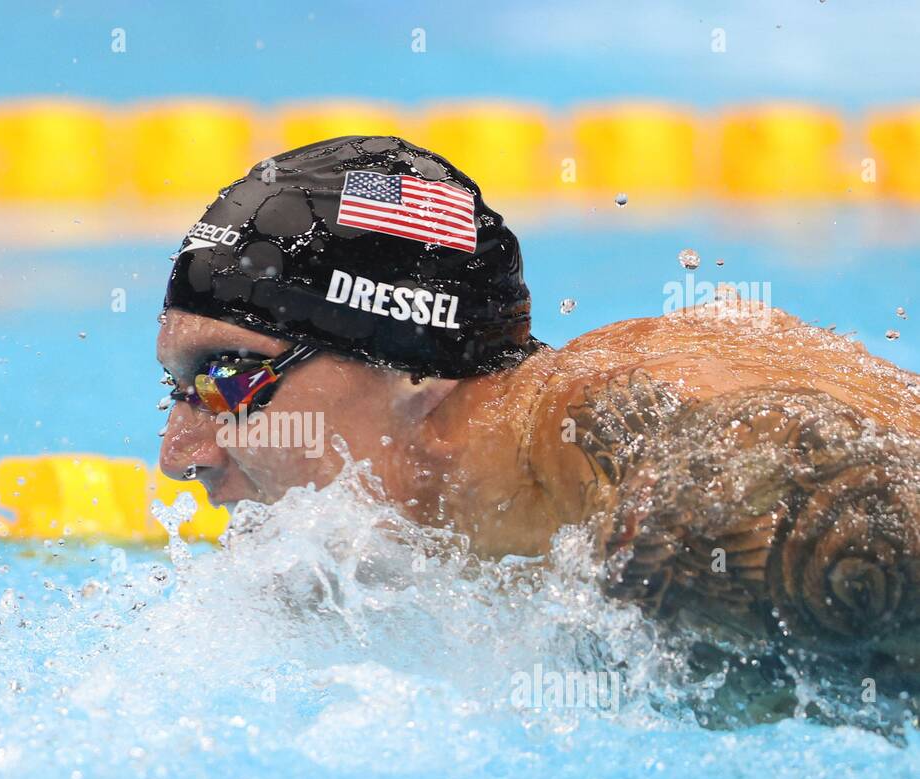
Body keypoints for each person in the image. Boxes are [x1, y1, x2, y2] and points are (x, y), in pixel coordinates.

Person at [156, 134, 920, 668]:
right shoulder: (472, 533)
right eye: (175, 393)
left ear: (413, 364)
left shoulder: (633, 459)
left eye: (228, 377)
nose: (179, 457)